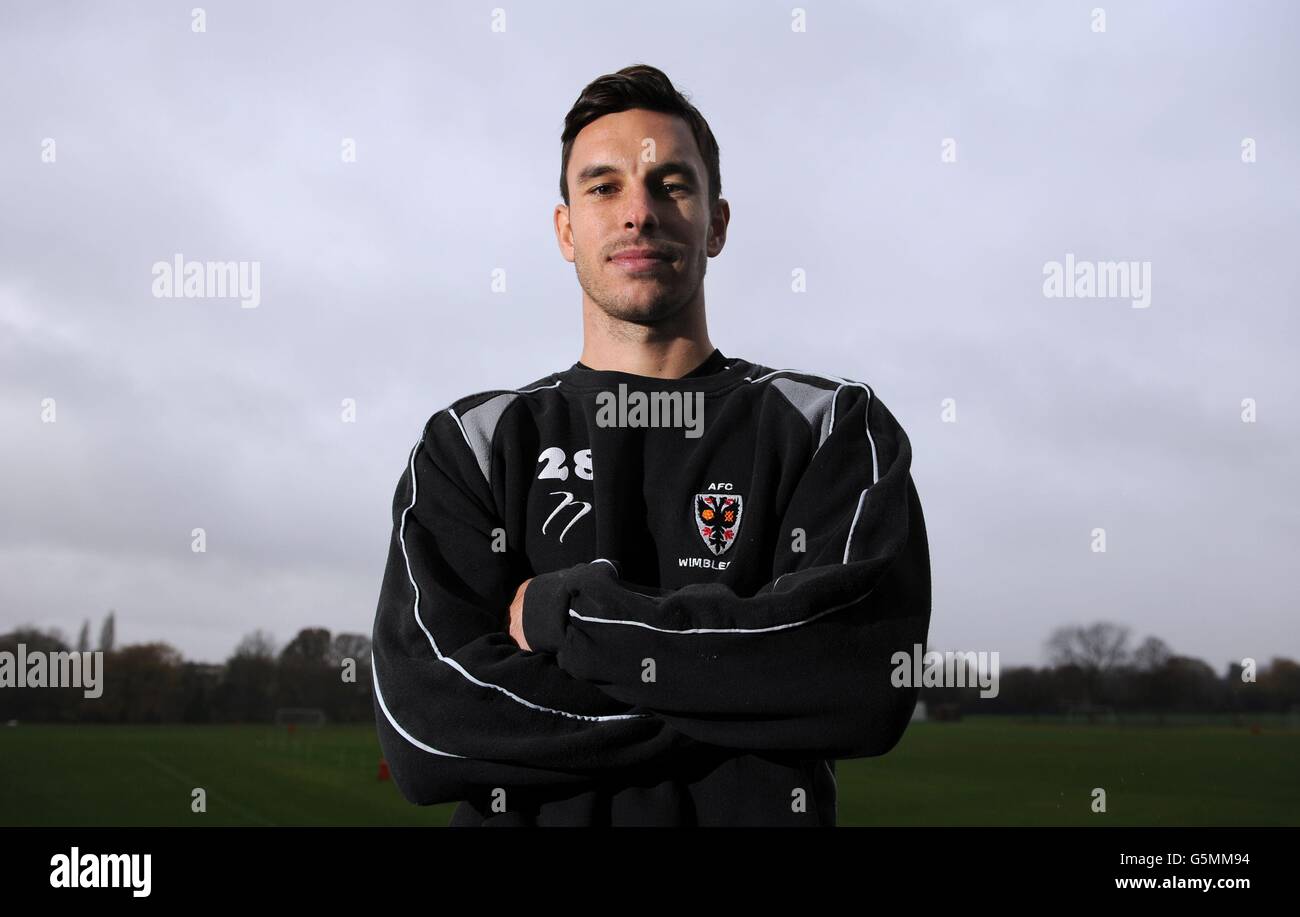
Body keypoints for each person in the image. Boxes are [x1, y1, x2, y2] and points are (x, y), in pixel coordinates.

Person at [370, 63, 931, 826]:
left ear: (718, 222)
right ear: (566, 229)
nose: (639, 213)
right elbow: (429, 726)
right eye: (603, 187)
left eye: (672, 183)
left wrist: (569, 615)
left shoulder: (829, 425)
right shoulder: (473, 443)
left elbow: (861, 676)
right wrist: (746, 691)